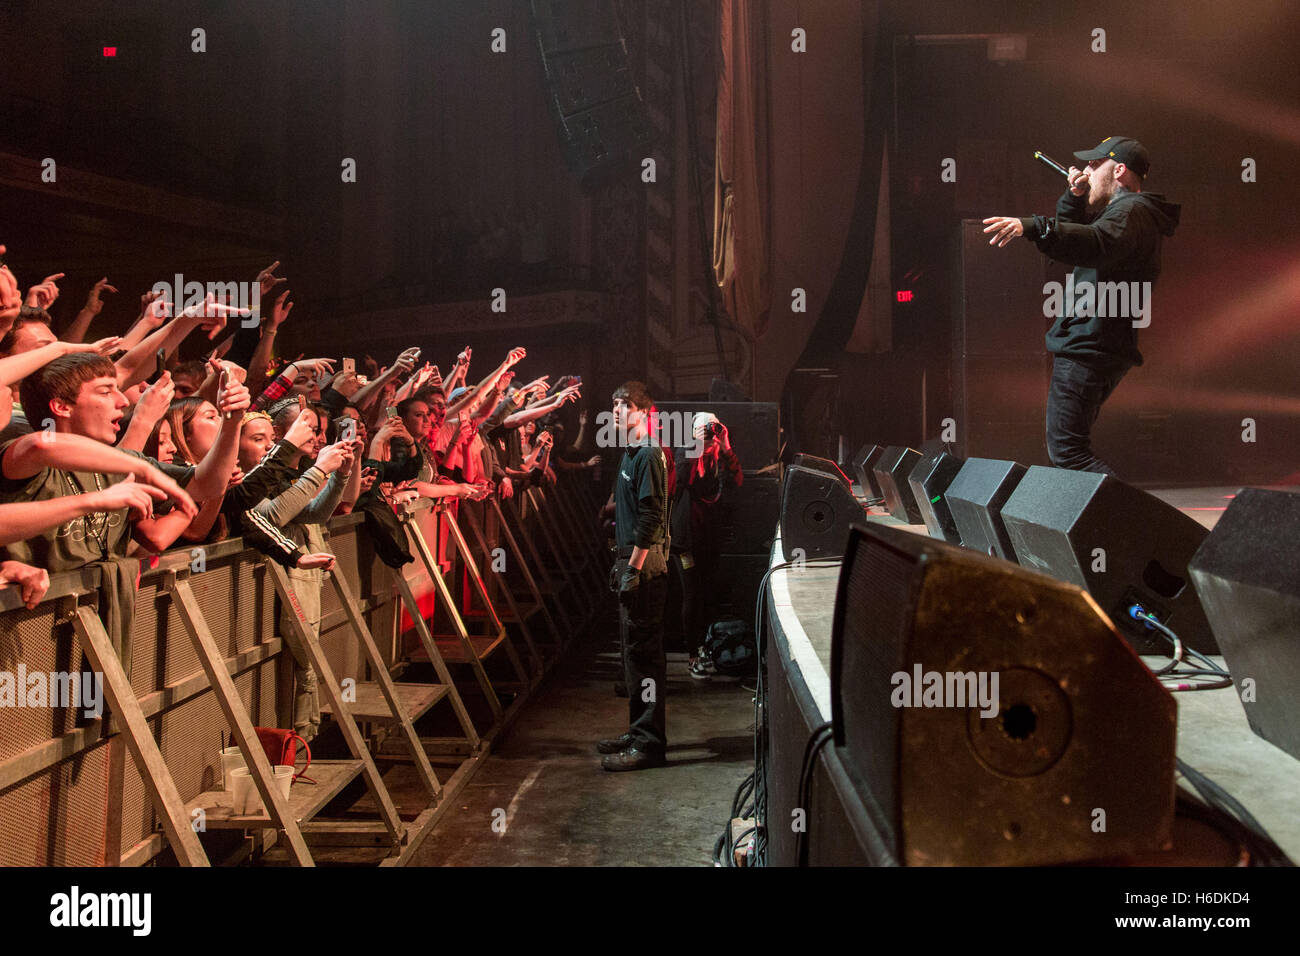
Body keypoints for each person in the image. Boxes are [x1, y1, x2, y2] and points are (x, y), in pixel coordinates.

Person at [982, 136, 1180, 476]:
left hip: (1091, 344)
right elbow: (1077, 243)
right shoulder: (1124, 213)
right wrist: (1074, 197)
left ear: (1118, 170)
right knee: (1067, 448)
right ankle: (1110, 525)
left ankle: (1129, 524)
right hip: (1095, 342)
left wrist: (1030, 226)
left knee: (1069, 451)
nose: (1085, 171)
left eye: (1093, 164)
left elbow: (1093, 243)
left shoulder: (1131, 212)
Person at [598, 381, 670, 771]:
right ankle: (638, 730)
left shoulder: (646, 455)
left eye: (625, 405)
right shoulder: (629, 454)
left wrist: (634, 568)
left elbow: (652, 518)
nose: (617, 410)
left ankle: (649, 743)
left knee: (644, 659)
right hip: (630, 564)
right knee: (633, 659)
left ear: (644, 411)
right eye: (614, 404)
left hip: (643, 569)